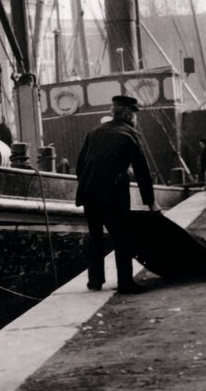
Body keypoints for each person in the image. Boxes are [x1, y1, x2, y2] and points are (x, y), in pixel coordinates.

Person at [74, 94, 158, 295]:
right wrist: (151, 202)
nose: (136, 119)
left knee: (95, 238)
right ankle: (125, 283)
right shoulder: (129, 135)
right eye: (134, 114)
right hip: (112, 194)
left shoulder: (94, 131)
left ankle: (94, 281)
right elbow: (142, 172)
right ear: (128, 114)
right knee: (122, 237)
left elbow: (79, 166)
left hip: (88, 193)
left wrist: (89, 183)